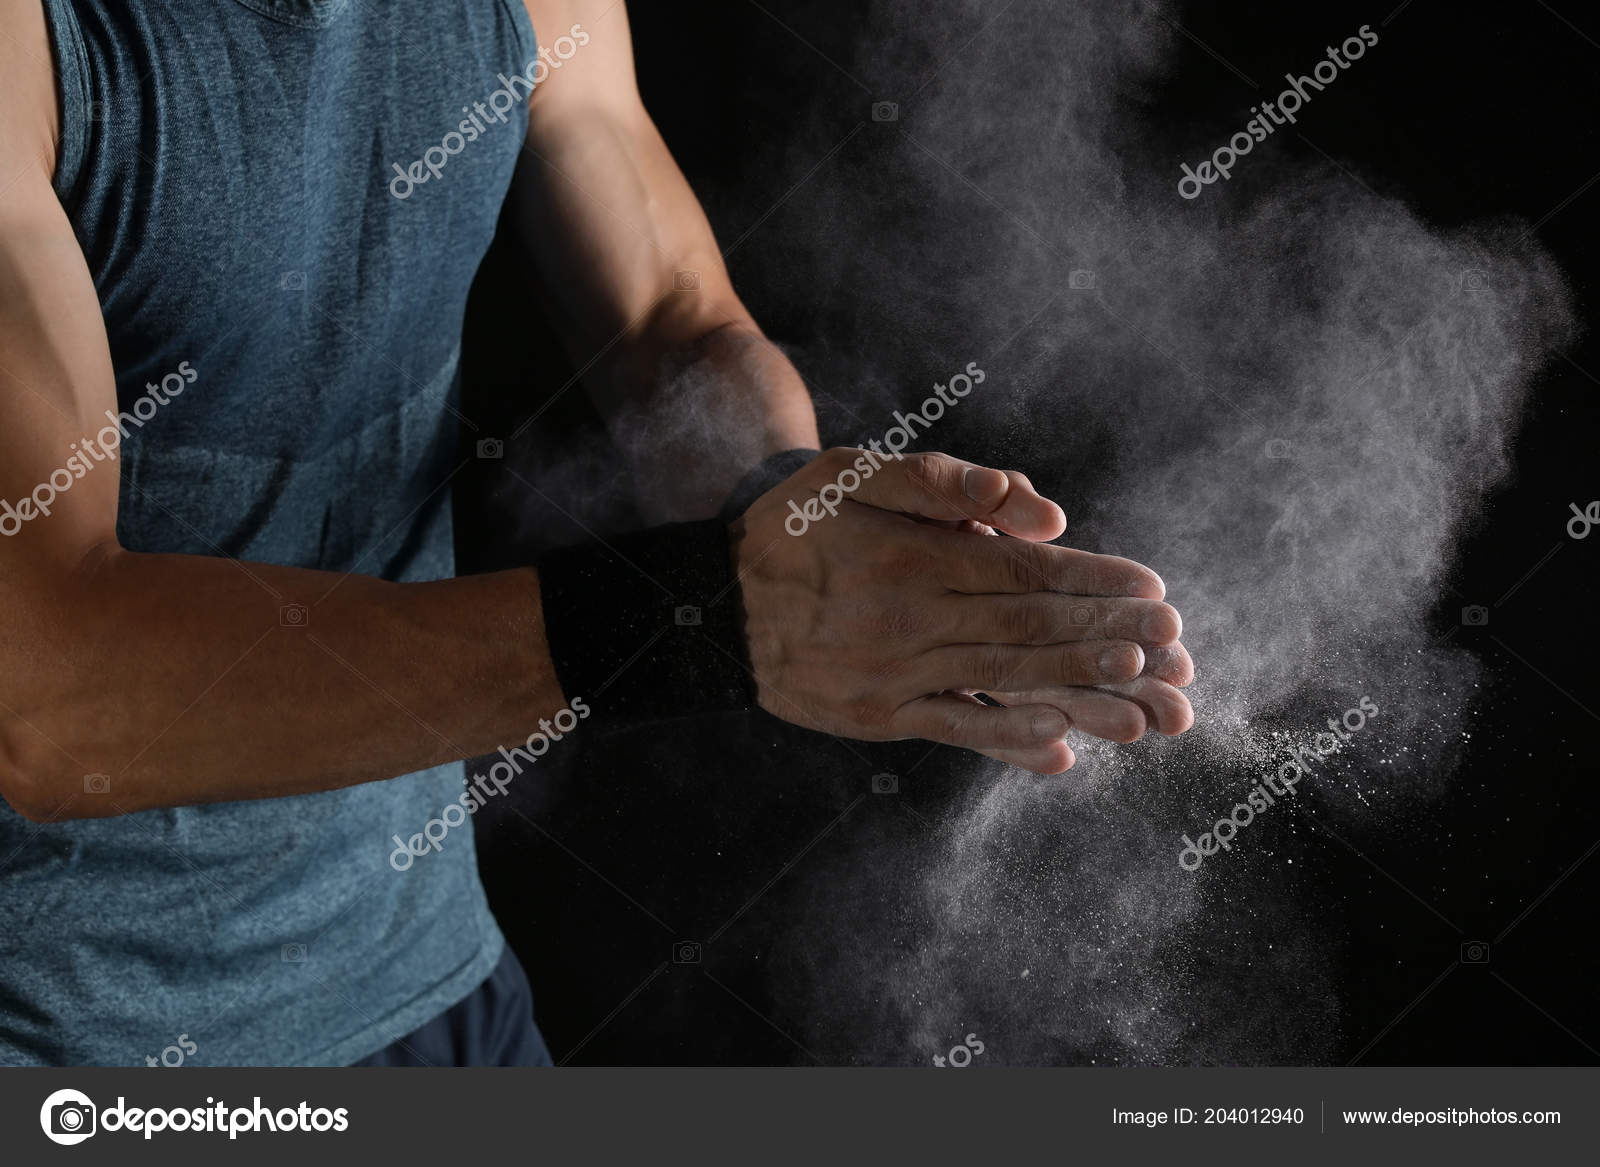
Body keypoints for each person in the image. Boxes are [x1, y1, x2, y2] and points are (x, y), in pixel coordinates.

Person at [0, 0, 1193, 1066]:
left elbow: (666, 319)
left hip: (420, 976)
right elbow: (49, 701)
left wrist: (790, 517)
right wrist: (702, 621)